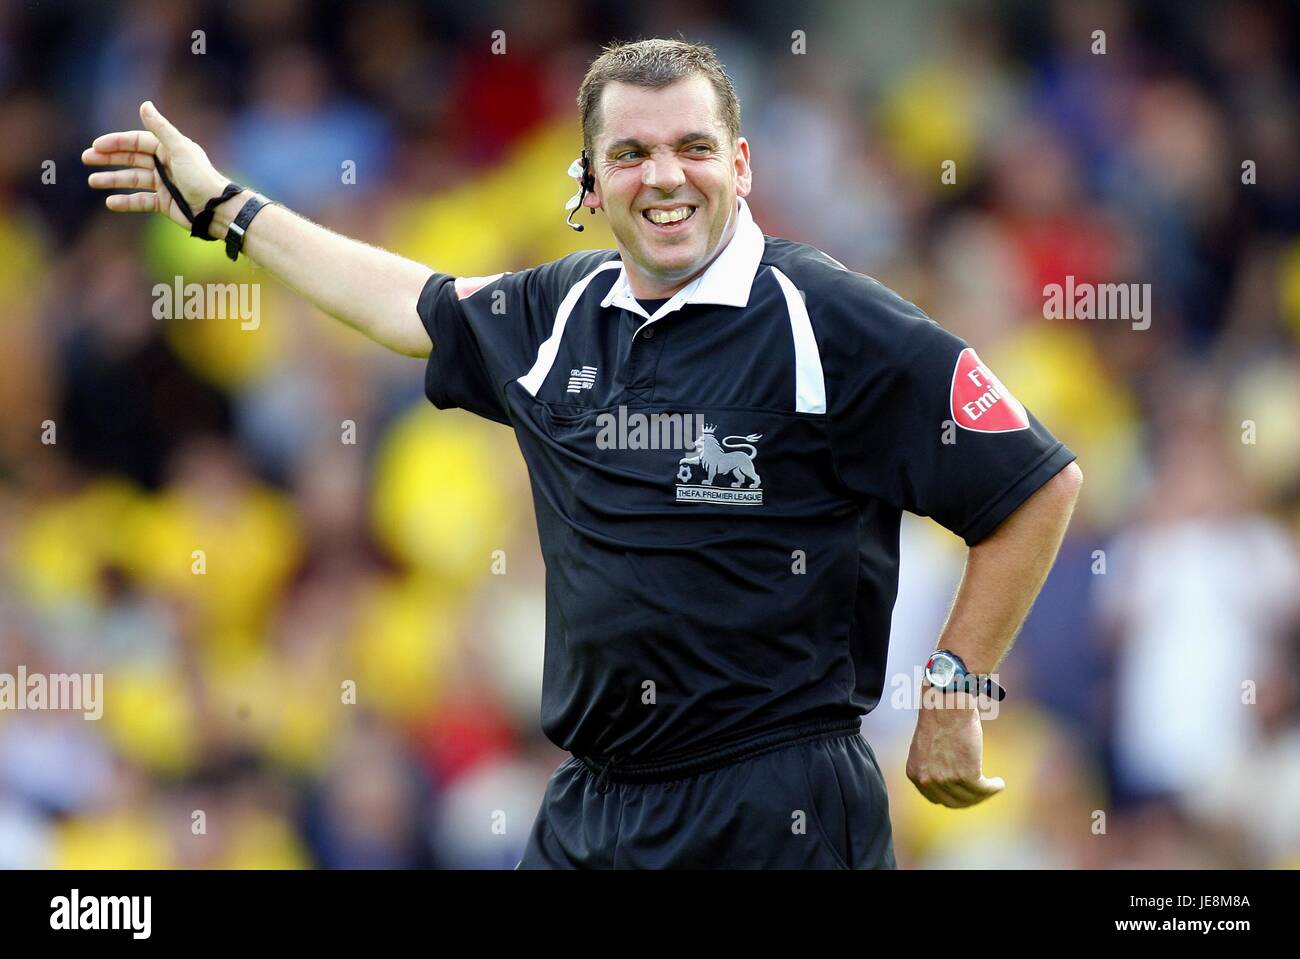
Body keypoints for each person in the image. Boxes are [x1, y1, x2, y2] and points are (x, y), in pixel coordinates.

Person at [83, 38, 1082, 869]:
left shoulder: (833, 320)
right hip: (595, 804)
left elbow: (1033, 485)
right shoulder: (558, 312)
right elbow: (403, 300)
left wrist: (955, 689)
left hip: (778, 806)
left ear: (740, 166)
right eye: (632, 153)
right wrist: (227, 208)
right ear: (590, 179)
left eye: (694, 147)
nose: (664, 177)